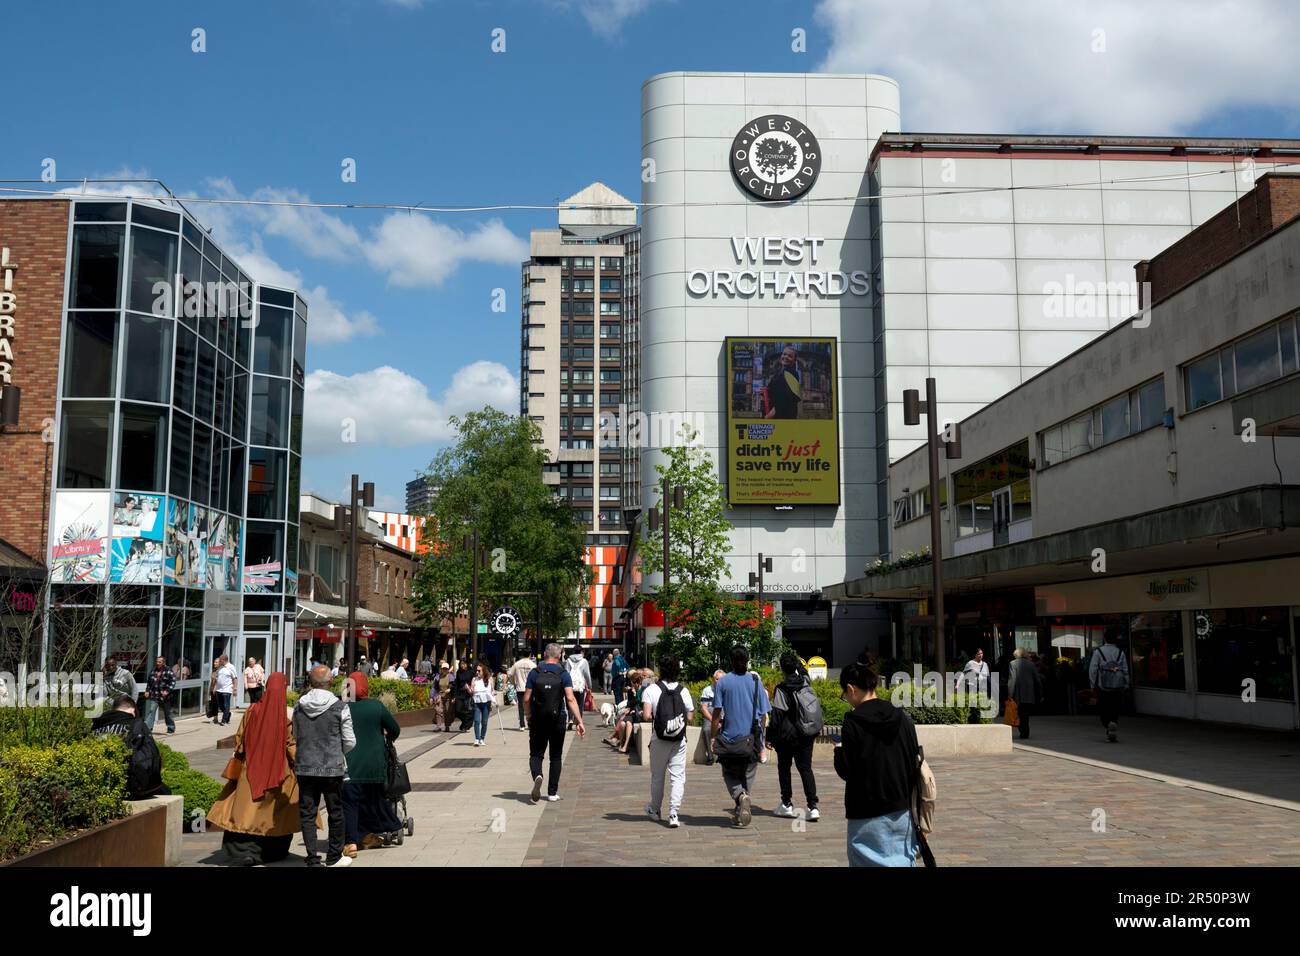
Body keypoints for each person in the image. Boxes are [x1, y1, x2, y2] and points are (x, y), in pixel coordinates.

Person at [207, 672, 303, 865]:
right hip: (279, 772)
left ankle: (244, 851)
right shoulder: (286, 715)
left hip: (250, 769)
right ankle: (271, 852)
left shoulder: (252, 711)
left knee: (245, 812)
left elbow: (239, 740)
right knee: (275, 814)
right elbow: (290, 745)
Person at [834, 662, 921, 867]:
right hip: (902, 808)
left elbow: (847, 770)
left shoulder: (853, 721)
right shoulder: (900, 716)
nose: (846, 699)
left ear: (851, 689)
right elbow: (913, 758)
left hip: (865, 811)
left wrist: (838, 751)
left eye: (844, 695)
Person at [292, 664, 356, 868]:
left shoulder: (298, 705)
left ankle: (312, 859)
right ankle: (334, 856)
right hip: (331, 766)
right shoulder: (340, 706)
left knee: (308, 814)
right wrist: (337, 752)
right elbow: (350, 741)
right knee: (335, 812)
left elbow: (295, 734)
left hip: (305, 765)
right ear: (330, 682)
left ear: (310, 682)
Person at [341, 671, 403, 857]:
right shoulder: (376, 706)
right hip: (374, 765)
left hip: (349, 765)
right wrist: (387, 737)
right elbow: (395, 729)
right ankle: (380, 830)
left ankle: (352, 842)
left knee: (350, 804)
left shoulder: (342, 707)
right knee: (373, 800)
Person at [710, 645, 770, 828]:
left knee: (728, 772)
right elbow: (764, 716)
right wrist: (762, 743)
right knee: (748, 774)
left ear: (731, 661)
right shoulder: (755, 681)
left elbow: (717, 713)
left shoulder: (723, 682)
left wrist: (713, 737)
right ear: (748, 660)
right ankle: (742, 805)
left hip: (729, 739)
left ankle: (740, 797)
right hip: (751, 739)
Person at [523, 643, 585, 802]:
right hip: (558, 719)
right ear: (560, 656)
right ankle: (552, 793)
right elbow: (570, 699)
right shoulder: (563, 674)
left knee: (536, 753)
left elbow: (527, 698)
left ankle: (537, 774)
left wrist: (528, 715)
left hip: (538, 719)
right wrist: (579, 721)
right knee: (556, 756)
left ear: (544, 654)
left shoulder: (534, 673)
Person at [769, 652, 820, 821]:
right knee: (806, 768)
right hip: (806, 734)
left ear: (782, 669)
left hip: (787, 737)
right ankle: (813, 807)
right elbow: (802, 670)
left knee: (784, 768)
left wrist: (769, 737)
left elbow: (777, 717)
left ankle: (787, 804)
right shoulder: (806, 682)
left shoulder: (782, 689)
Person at [642, 655, 693, 828]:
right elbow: (691, 716)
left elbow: (647, 715)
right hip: (679, 740)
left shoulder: (652, 690)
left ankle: (655, 810)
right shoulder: (683, 691)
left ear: (660, 670)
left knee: (657, 776)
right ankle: (674, 814)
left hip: (659, 739)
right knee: (678, 777)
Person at [92, 692, 170, 800]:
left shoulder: (97, 725)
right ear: (133, 710)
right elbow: (152, 757)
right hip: (129, 785)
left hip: (97, 782)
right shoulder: (136, 724)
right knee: (165, 791)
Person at [1089, 629, 1130, 743]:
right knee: (1115, 708)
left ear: (1104, 639)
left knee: (1103, 709)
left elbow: (1093, 669)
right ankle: (1113, 725)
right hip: (1118, 686)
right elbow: (1125, 669)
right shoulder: (1120, 652)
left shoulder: (1098, 652)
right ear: (1115, 639)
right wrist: (1126, 684)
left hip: (1103, 686)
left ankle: (1108, 724)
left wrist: (1092, 685)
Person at [1007, 648, 1041, 740]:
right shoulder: (1031, 664)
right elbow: (1037, 680)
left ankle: (1023, 731)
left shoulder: (1013, 664)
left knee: (1020, 713)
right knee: (1025, 714)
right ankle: (1025, 731)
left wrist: (1010, 694)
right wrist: (1039, 693)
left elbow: (1012, 680)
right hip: (1029, 693)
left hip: (1018, 693)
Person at [764, 344, 802, 419]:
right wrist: (765, 391)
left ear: (794, 361)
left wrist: (769, 415)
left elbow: (786, 398)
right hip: (775, 413)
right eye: (784, 354)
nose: (786, 357)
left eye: (790, 356)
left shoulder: (792, 373)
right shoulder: (778, 372)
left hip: (784, 416)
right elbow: (772, 388)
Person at [143, 655, 177, 735]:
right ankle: (148, 728)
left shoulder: (168, 670)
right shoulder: (153, 670)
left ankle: (171, 728)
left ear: (163, 663)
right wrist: (147, 691)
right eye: (157, 661)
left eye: (159, 662)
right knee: (151, 711)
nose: (157, 663)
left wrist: (167, 691)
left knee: (167, 713)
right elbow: (149, 682)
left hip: (165, 697)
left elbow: (173, 682)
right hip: (155, 695)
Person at [697, 669, 724, 767]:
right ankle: (710, 756)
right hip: (710, 717)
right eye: (717, 679)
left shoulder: (728, 690)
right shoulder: (707, 690)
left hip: (724, 717)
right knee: (706, 730)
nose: (719, 681)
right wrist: (714, 721)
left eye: (721, 679)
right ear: (713, 679)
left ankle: (723, 756)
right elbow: (704, 709)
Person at [507, 651, 536, 730]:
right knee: (530, 706)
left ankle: (522, 725)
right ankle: (530, 723)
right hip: (530, 688)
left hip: (520, 688)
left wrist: (514, 682)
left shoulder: (517, 664)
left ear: (522, 655)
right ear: (530, 655)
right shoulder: (533, 665)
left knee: (521, 707)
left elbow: (509, 674)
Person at [961, 648, 990, 725]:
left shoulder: (985, 664)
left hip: (982, 686)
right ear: (975, 655)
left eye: (982, 653)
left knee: (981, 703)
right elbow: (963, 673)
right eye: (979, 654)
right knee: (973, 704)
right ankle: (972, 719)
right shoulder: (970, 663)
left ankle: (981, 720)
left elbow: (987, 677)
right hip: (972, 686)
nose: (981, 655)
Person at [470, 661, 495, 746]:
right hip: (477, 702)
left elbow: (492, 691)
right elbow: (472, 690)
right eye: (476, 670)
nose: (477, 672)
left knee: (484, 722)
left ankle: (482, 738)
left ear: (483, 671)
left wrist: (494, 700)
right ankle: (477, 738)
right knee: (476, 721)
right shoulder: (474, 679)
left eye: (479, 671)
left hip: (486, 703)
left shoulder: (489, 679)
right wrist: (470, 689)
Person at [565, 648, 591, 721]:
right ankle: (578, 721)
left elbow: (566, 673)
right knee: (580, 704)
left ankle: (570, 718)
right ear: (581, 652)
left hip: (570, 686)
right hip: (580, 686)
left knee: (570, 702)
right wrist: (589, 686)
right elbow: (587, 675)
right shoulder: (584, 661)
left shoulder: (568, 661)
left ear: (573, 651)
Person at [213, 655, 238, 726]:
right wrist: (215, 687)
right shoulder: (220, 668)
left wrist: (235, 689)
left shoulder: (231, 667)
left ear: (224, 660)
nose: (219, 662)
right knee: (220, 706)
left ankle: (224, 720)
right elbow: (218, 678)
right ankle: (228, 714)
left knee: (226, 705)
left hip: (227, 689)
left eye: (220, 660)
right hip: (219, 689)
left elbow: (235, 678)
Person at [452, 659, 474, 731]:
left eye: (464, 664)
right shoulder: (459, 672)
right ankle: (466, 720)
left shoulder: (471, 672)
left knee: (467, 709)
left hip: (468, 694)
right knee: (457, 710)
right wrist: (454, 696)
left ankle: (466, 725)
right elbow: (456, 684)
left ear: (467, 664)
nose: (462, 665)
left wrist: (470, 687)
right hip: (460, 693)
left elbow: (475, 682)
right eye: (461, 664)